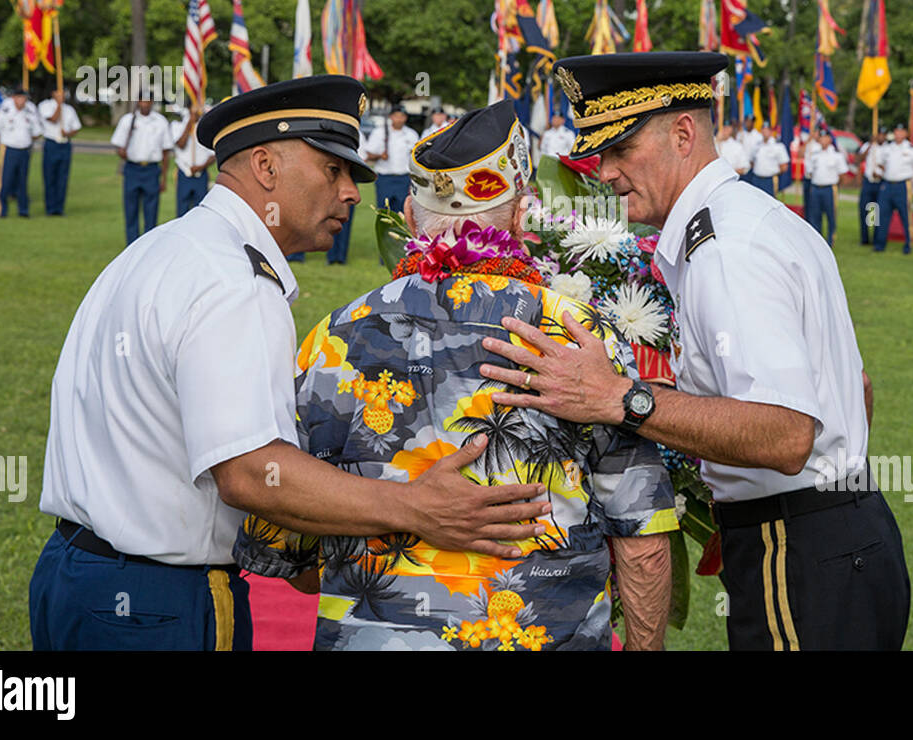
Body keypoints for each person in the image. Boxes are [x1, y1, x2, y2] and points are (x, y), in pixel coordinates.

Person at [29, 75, 552, 651]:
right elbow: (250, 473)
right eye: (334, 170)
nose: (351, 193)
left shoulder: (163, 249)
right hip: (156, 604)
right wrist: (415, 507)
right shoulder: (234, 281)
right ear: (265, 167)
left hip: (79, 575)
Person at [484, 52, 908, 651]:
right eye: (598, 153)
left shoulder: (725, 249)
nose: (603, 172)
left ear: (683, 133)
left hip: (799, 550)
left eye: (620, 150)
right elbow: (854, 391)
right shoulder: (754, 218)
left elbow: (787, 435)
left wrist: (620, 399)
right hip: (834, 536)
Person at [235, 100, 677, 651]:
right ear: (522, 216)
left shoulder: (334, 337)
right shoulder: (578, 335)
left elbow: (283, 537)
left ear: (412, 218)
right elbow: (642, 537)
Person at [111, 94, 173, 244]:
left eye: (148, 101)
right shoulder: (128, 120)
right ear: (138, 101)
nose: (145, 104)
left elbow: (166, 152)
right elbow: (118, 145)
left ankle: (148, 245)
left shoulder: (160, 122)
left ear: (152, 102)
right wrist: (122, 153)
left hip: (151, 170)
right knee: (130, 210)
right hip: (133, 168)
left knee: (151, 211)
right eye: (142, 100)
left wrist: (164, 178)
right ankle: (131, 244)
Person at [0, 88, 44, 218]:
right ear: (14, 98)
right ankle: (2, 210)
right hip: (9, 150)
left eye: (24, 98)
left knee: (22, 181)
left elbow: (37, 133)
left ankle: (23, 210)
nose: (21, 100)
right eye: (19, 97)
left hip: (25, 150)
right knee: (5, 180)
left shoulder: (30, 112)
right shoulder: (6, 111)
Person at [872, 123, 913, 254]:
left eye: (901, 132)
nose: (898, 134)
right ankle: (880, 244)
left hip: (903, 185)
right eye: (896, 131)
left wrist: (910, 175)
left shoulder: (911, 149)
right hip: (887, 184)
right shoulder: (887, 148)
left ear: (906, 134)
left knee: (905, 215)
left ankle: (908, 244)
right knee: (882, 215)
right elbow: (880, 163)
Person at [325, 125, 368, 265]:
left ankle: (341, 256)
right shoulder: (332, 132)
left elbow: (364, 156)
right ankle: (331, 256)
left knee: (345, 220)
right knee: (329, 217)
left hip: (349, 178)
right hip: (331, 179)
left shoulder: (358, 135)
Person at [365, 105, 420, 211]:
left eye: (402, 116)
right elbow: (369, 154)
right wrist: (380, 155)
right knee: (384, 211)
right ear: (391, 117)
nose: (399, 119)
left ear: (406, 118)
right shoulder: (379, 132)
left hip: (404, 179)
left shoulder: (411, 134)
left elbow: (417, 156)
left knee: (404, 213)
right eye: (396, 116)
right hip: (385, 178)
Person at [38, 88, 81, 216]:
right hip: (51, 144)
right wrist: (58, 105)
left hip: (65, 144)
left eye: (63, 93)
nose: (61, 95)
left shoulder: (70, 109)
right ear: (53, 93)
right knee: (50, 176)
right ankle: (50, 208)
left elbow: (76, 127)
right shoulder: (45, 105)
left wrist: (68, 133)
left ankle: (59, 208)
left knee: (62, 178)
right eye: (58, 93)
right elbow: (53, 119)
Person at [169, 102, 216, 217]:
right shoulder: (178, 125)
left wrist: (200, 167)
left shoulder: (206, 127)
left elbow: (213, 155)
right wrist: (190, 123)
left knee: (201, 212)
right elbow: (180, 144)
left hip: (201, 174)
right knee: (182, 213)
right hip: (184, 174)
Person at [805, 129, 848, 247]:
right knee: (815, 215)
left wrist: (837, 187)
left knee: (831, 215)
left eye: (826, 138)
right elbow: (810, 172)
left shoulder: (836, 156)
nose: (823, 140)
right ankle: (816, 241)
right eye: (821, 138)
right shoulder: (814, 155)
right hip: (816, 188)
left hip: (829, 189)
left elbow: (843, 174)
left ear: (830, 140)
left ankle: (830, 240)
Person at [856, 131, 883, 246]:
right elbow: (859, 159)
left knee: (876, 211)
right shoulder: (868, 146)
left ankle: (876, 237)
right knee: (864, 209)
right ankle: (865, 238)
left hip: (880, 182)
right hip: (868, 181)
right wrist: (871, 145)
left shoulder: (887, 148)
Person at [747, 123, 790, 196]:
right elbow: (752, 162)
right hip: (756, 179)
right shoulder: (757, 145)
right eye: (763, 130)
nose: (765, 132)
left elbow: (784, 166)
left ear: (771, 131)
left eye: (767, 130)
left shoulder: (778, 146)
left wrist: (772, 172)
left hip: (769, 180)